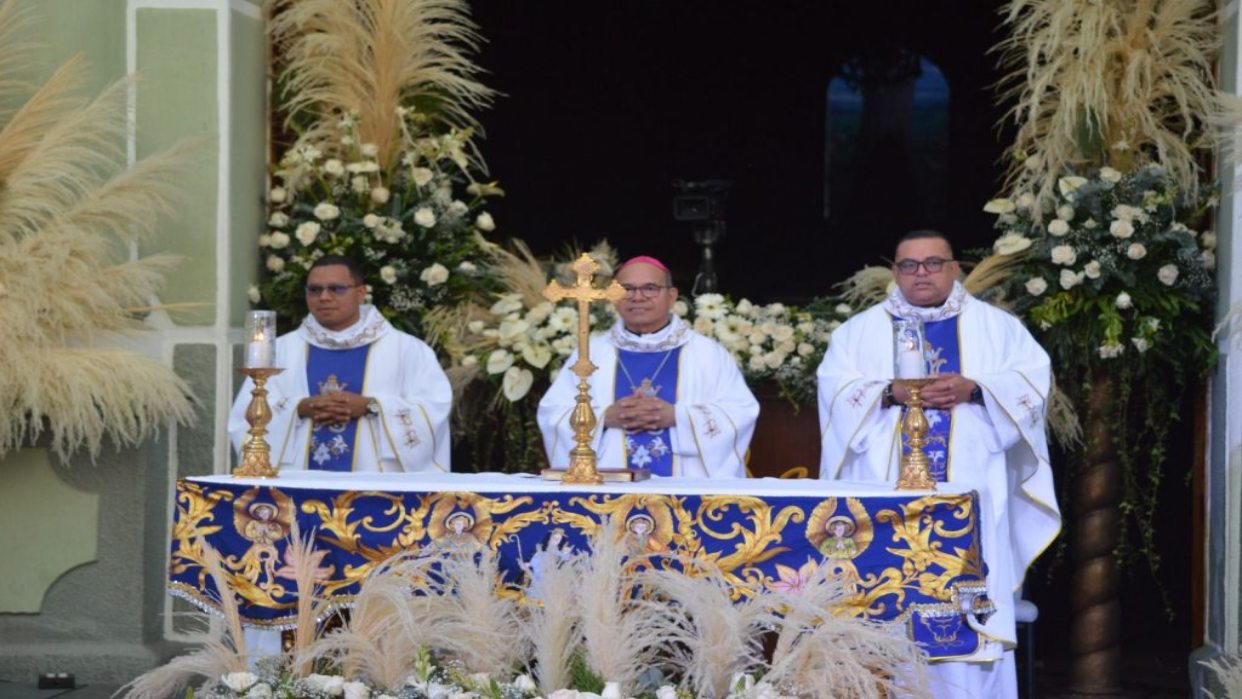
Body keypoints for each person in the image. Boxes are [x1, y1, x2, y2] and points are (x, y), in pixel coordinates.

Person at [815, 230, 1061, 699]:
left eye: (932, 263)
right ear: (895, 272)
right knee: (887, 605)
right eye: (909, 265)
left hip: (971, 487)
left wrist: (977, 389)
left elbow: (1031, 386)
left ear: (953, 269)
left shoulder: (998, 328)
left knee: (968, 606)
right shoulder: (858, 332)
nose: (921, 273)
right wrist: (888, 392)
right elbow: (835, 392)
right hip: (885, 493)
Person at [536, 255, 758, 477]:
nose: (637, 297)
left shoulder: (707, 354)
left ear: (671, 296)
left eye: (650, 288)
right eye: (627, 289)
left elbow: (740, 413)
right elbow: (553, 414)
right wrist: (603, 418)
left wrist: (678, 417)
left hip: (687, 485)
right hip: (609, 485)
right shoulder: (590, 353)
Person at [228, 255, 452, 473]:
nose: (324, 297)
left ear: (360, 293)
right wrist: (300, 407)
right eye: (314, 290)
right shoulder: (281, 350)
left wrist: (371, 406)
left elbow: (434, 409)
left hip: (376, 487)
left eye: (336, 288)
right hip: (298, 485)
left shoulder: (407, 350)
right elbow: (244, 419)